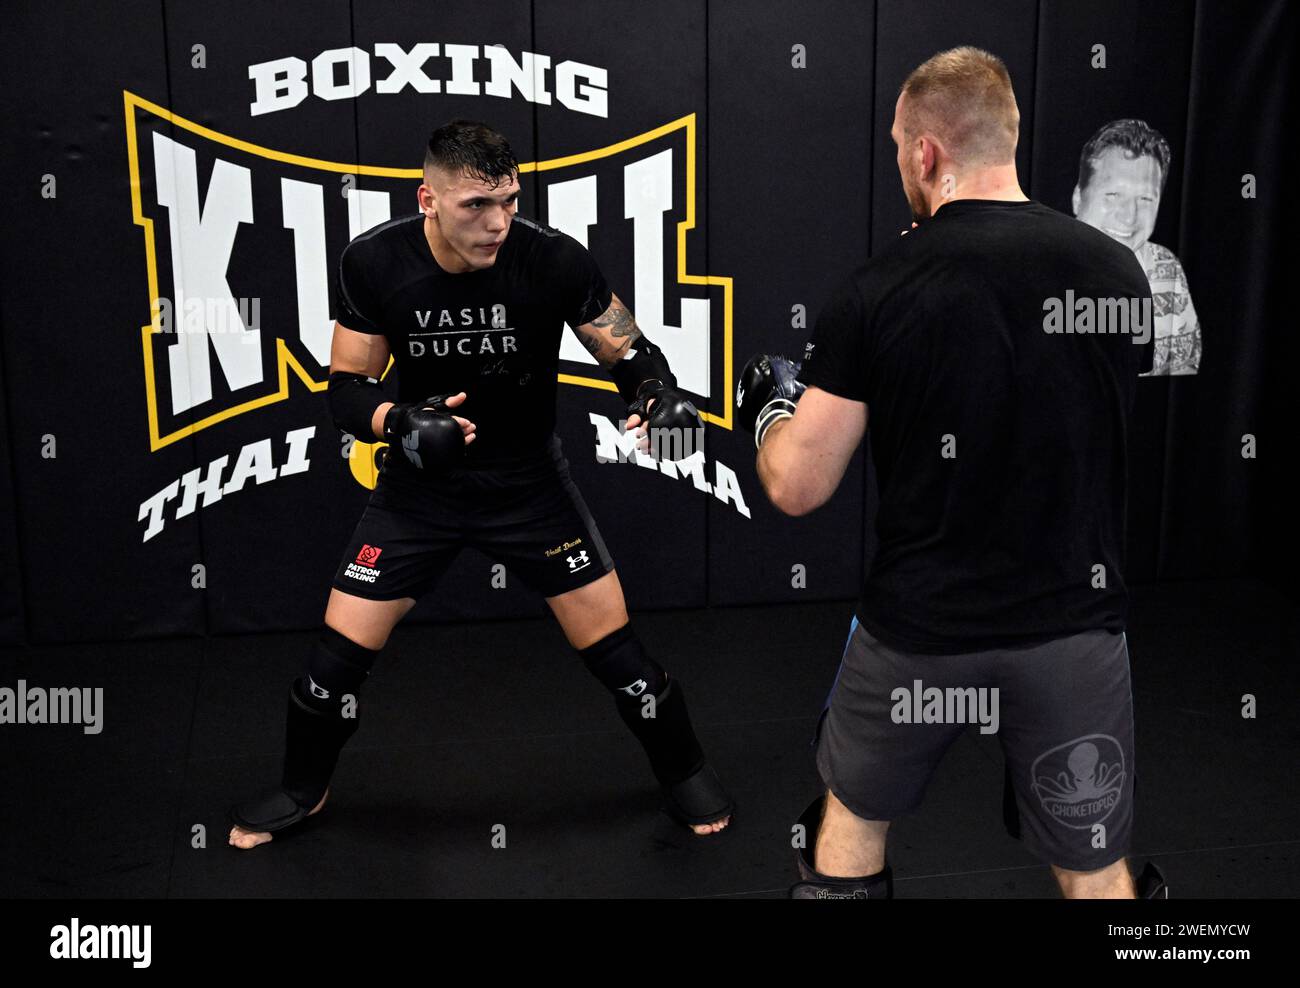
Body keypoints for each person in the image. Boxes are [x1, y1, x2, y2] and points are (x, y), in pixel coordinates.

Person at [228, 119, 733, 850]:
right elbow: (345, 386)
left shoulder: (553, 260)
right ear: (426, 198)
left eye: (509, 200)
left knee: (622, 659)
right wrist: (395, 421)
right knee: (329, 669)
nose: (497, 222)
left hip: (530, 488)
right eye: (474, 206)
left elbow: (628, 349)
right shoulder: (374, 262)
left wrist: (655, 392)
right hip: (417, 493)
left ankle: (683, 770)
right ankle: (302, 787)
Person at [736, 47, 1165, 898]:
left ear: (927, 153)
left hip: (922, 631)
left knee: (848, 830)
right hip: (1072, 629)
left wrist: (768, 407)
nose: (900, 160)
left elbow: (795, 485)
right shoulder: (1117, 273)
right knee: (1094, 870)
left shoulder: (881, 286)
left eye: (900, 145)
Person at [1073, 118, 1200, 375]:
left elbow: (1181, 372)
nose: (1129, 216)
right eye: (1113, 195)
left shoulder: (1167, 268)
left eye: (1144, 199)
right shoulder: (1037, 267)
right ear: (1078, 198)